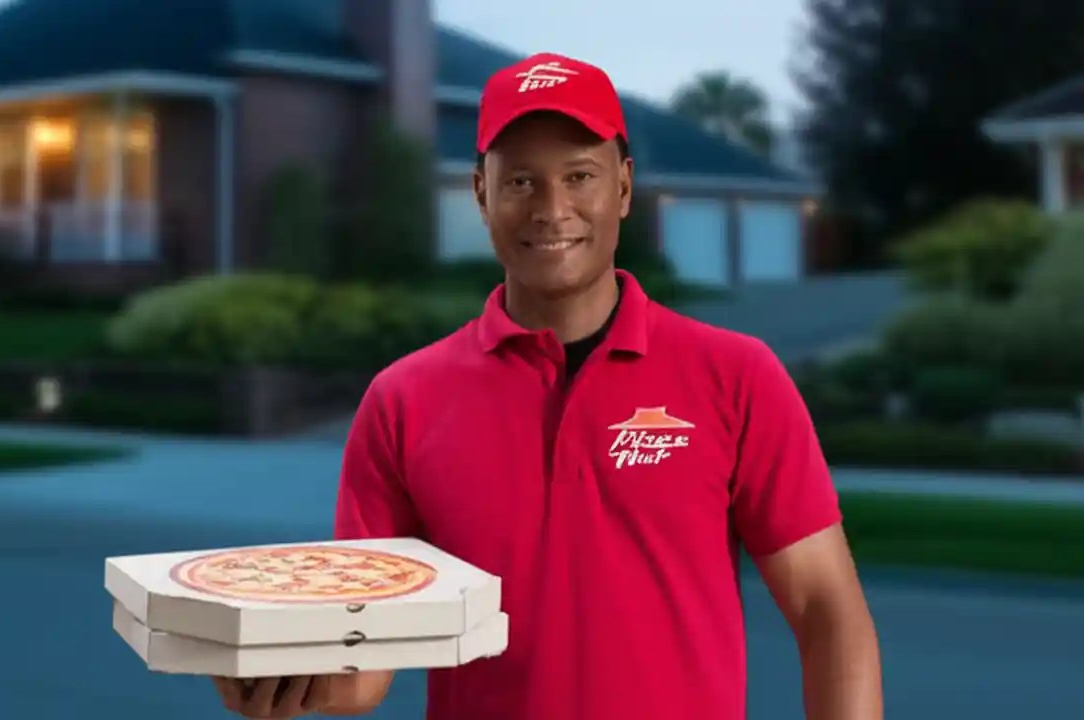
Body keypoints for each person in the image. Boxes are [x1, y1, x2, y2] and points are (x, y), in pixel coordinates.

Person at [214, 51, 883, 720]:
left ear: (622, 187)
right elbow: (364, 669)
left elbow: (827, 612)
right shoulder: (403, 402)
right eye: (522, 182)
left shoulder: (736, 376)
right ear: (481, 193)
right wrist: (281, 673)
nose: (552, 208)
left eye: (579, 176)